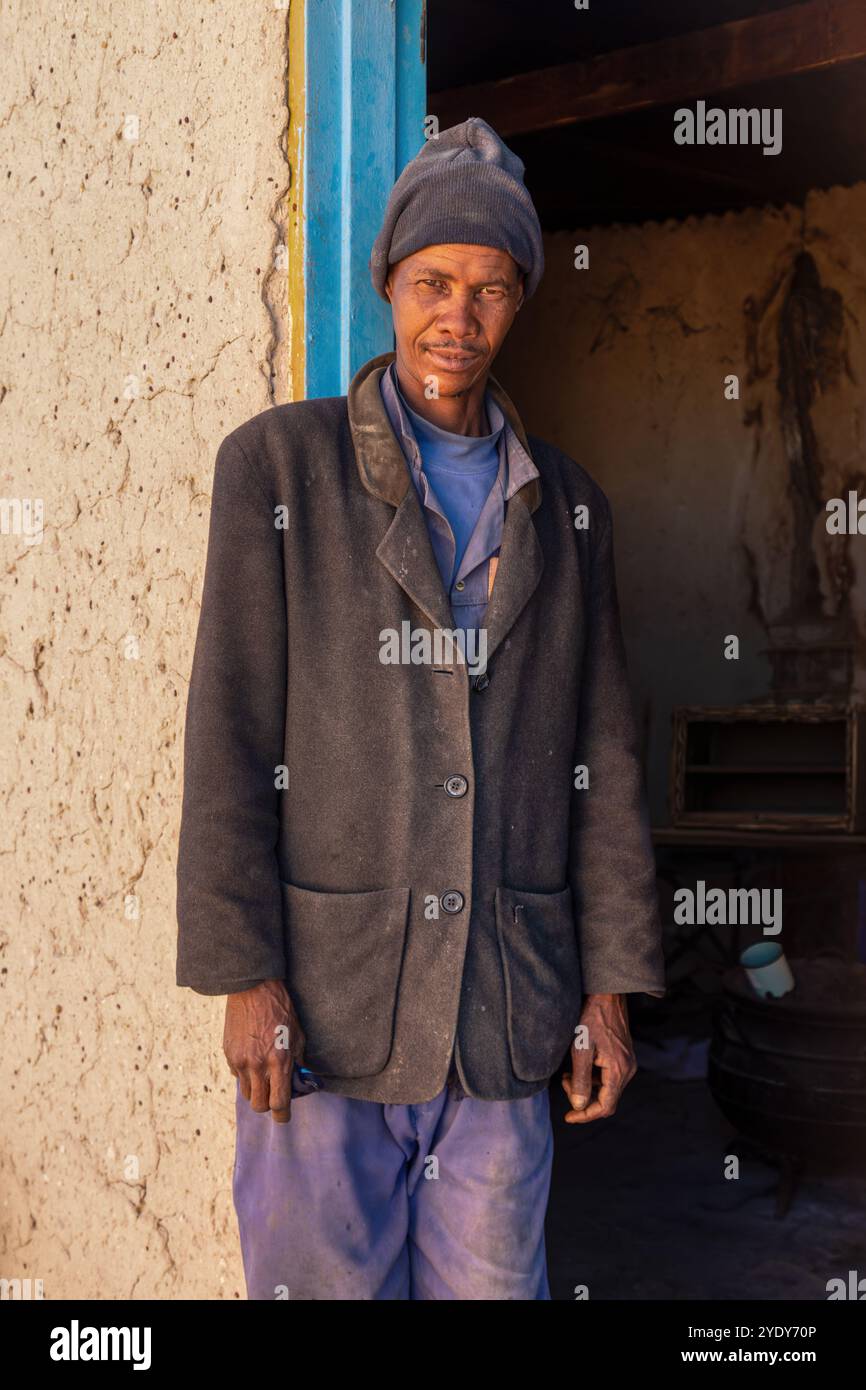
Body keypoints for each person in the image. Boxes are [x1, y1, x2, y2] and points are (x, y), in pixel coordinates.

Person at [176, 116, 665, 1300]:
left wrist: (604, 989)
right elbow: (230, 730)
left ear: (518, 303)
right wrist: (247, 973)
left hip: (503, 1009)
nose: (459, 316)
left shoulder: (566, 506)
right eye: (433, 283)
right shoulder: (279, 470)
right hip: (327, 1010)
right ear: (389, 285)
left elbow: (601, 756)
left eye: (491, 289)